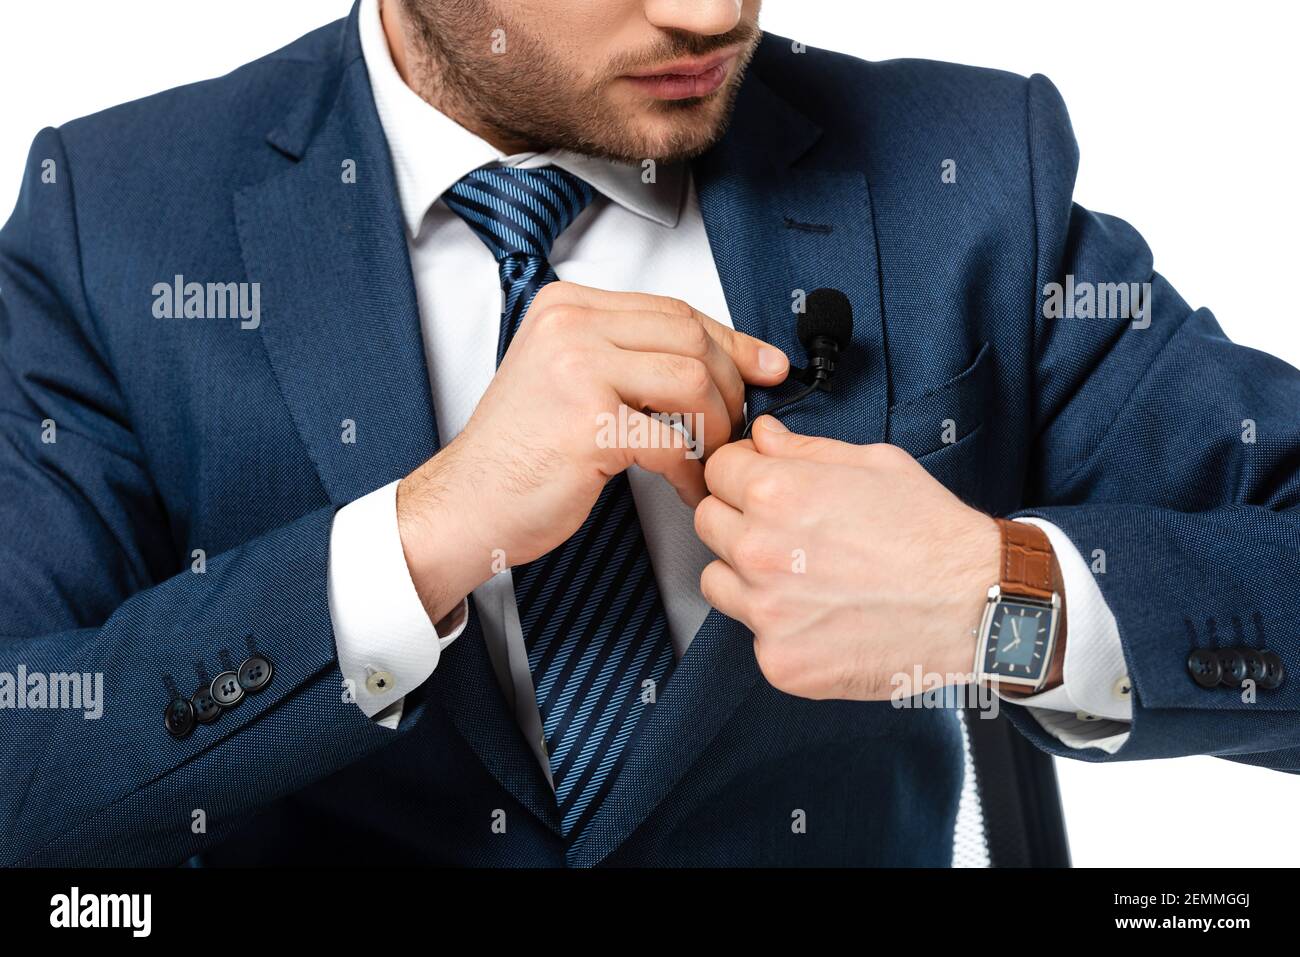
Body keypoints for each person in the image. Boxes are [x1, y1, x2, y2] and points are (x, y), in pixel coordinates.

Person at [0, 0, 1296, 867]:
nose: (713, 12)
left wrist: (1009, 607)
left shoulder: (962, 173)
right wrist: (412, 546)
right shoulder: (112, 221)